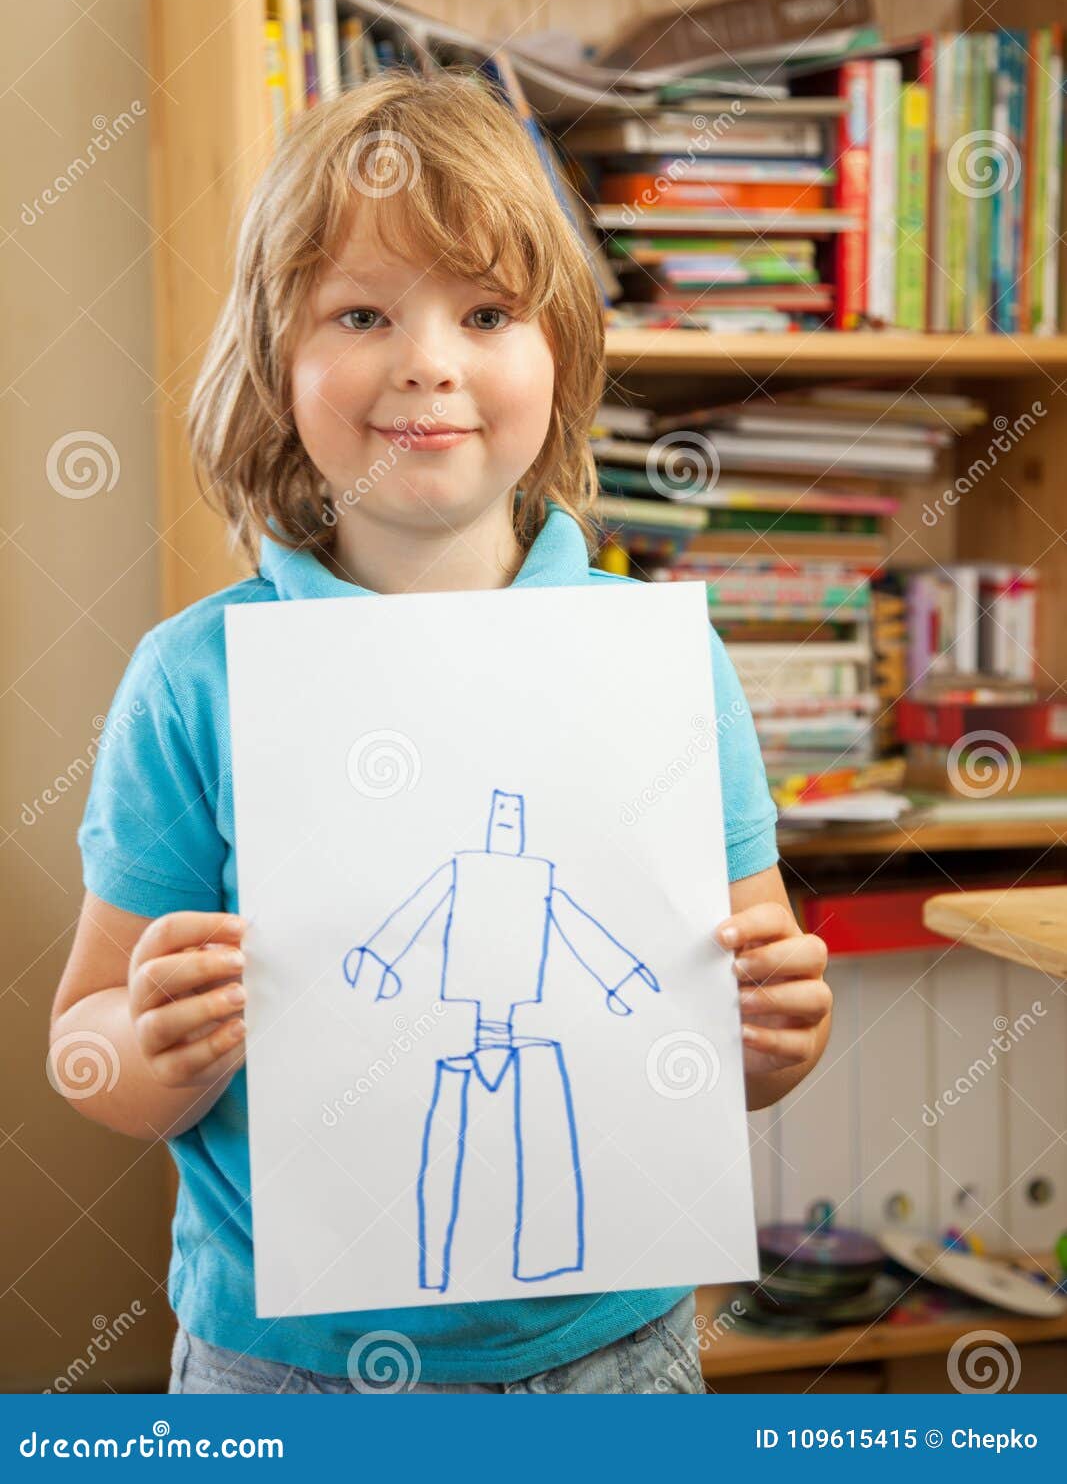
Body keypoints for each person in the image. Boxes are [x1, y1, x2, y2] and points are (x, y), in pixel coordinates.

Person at [51, 70, 832, 1395]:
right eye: (362, 313)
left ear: (559, 353)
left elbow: (735, 1025)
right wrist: (152, 1047)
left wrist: (775, 1038)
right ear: (277, 361)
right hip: (288, 1374)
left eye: (486, 313)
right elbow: (87, 1039)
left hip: (616, 1357)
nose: (427, 361)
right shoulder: (195, 683)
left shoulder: (661, 667)